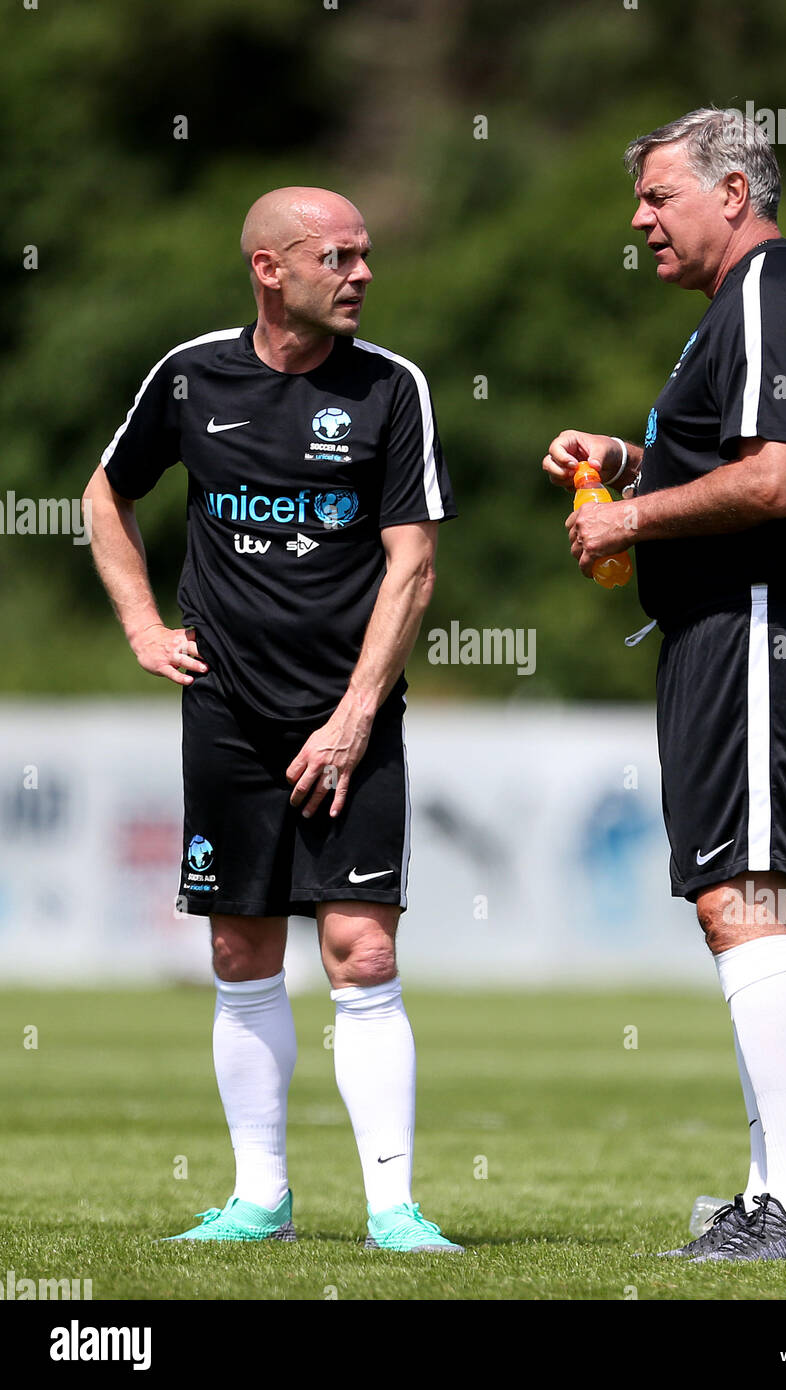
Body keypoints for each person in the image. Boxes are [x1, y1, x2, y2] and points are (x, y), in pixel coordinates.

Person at [84, 187, 462, 1252]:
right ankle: (263, 1200)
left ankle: (393, 1206)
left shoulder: (392, 389)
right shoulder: (193, 373)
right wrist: (142, 626)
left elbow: (413, 564)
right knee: (242, 948)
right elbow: (105, 494)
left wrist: (352, 713)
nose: (361, 274)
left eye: (365, 254)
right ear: (270, 268)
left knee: (362, 951)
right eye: (337, 255)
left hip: (350, 717)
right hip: (226, 714)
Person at [543, 109, 786, 1261]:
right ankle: (768, 1192)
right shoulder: (736, 309)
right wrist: (627, 461)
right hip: (723, 630)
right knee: (739, 905)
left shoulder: (768, 294)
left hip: (757, 627)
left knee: (745, 900)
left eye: (656, 197)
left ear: (732, 192)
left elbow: (774, 480)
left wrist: (629, 514)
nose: (638, 221)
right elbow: (728, 456)